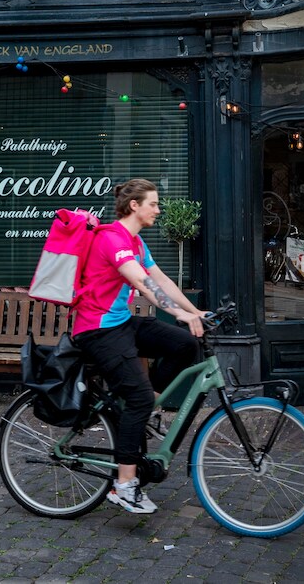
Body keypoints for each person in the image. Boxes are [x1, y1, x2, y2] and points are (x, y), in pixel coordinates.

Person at [71, 178, 209, 515]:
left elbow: (160, 279)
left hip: (120, 323)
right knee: (138, 397)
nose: (158, 210)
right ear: (134, 205)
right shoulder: (111, 238)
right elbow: (142, 283)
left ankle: (150, 407)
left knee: (184, 344)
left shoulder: (135, 241)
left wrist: (195, 312)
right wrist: (176, 312)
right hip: (98, 329)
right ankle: (125, 486)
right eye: (154, 204)